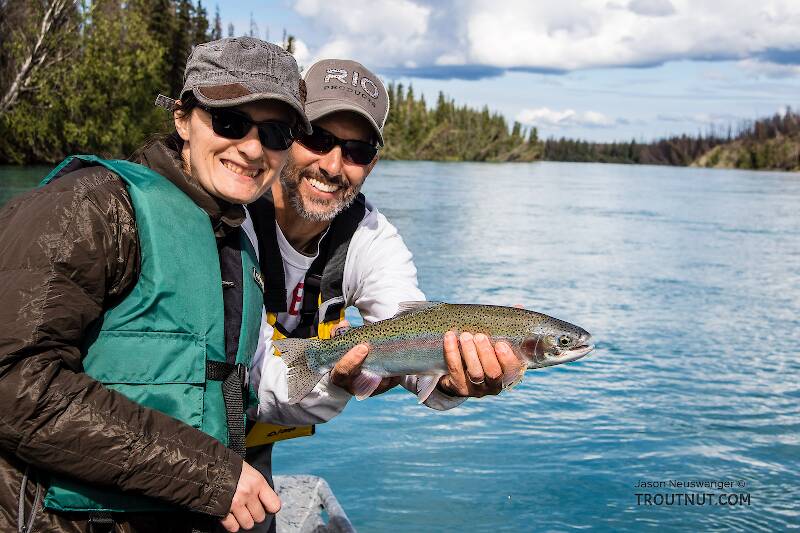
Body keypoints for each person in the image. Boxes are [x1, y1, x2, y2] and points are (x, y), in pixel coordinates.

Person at [0, 37, 346, 533]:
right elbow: (13, 381)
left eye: (274, 132)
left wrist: (347, 377)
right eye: (229, 122)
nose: (251, 148)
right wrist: (209, 476)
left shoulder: (234, 243)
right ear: (183, 119)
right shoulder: (91, 208)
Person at [242, 59, 524, 532]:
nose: (333, 165)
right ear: (288, 133)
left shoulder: (371, 237)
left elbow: (407, 322)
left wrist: (451, 381)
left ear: (373, 161)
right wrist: (333, 382)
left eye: (356, 150)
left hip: (254, 442)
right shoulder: (234, 212)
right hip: (184, 422)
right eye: (317, 138)